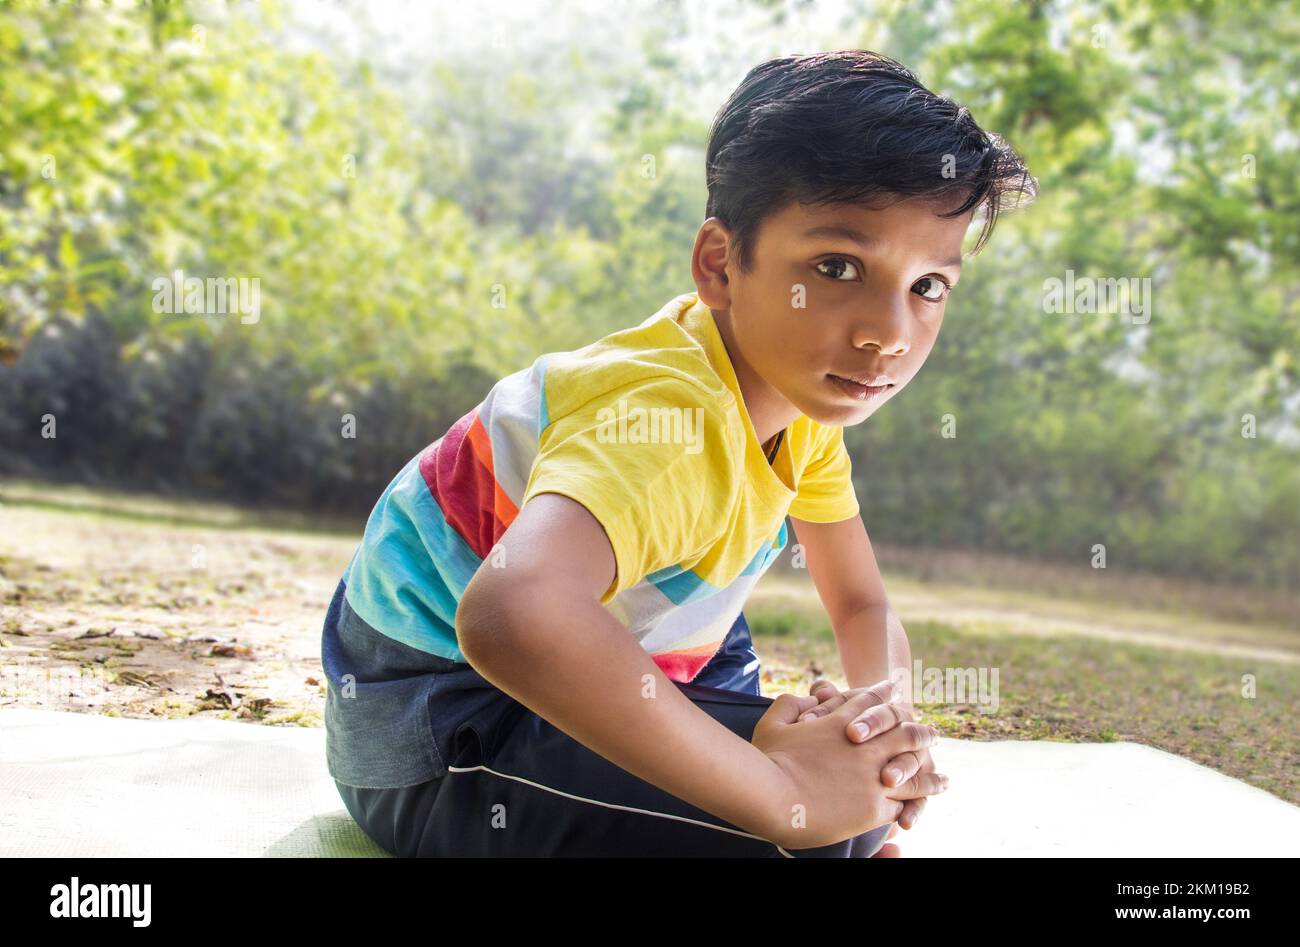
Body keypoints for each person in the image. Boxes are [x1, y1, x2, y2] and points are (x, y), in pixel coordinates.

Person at [321, 48, 1037, 857]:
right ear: (720, 265)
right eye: (837, 268)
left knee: (852, 784)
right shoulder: (665, 417)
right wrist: (779, 797)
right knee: (813, 824)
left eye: (927, 286)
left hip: (635, 663)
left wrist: (884, 725)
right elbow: (510, 616)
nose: (888, 334)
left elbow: (862, 604)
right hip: (440, 732)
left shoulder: (802, 410)